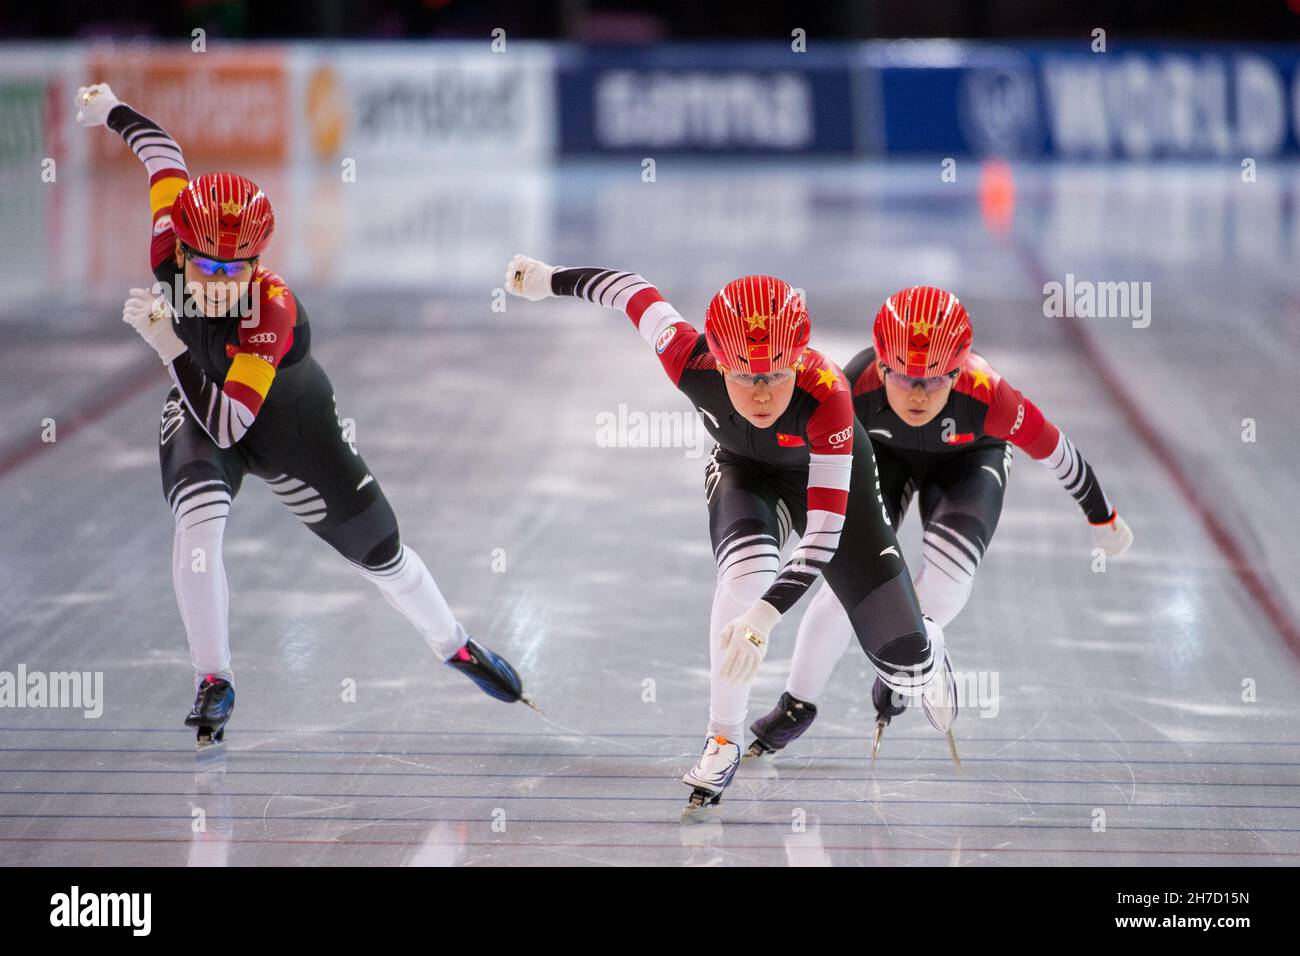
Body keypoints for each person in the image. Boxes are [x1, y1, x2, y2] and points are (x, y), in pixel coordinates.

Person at [75, 82, 530, 748]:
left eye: (240, 269)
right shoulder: (167, 236)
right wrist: (109, 106)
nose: (224, 283)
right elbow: (161, 151)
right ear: (178, 251)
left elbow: (237, 424)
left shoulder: (272, 308)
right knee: (197, 531)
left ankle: (455, 645)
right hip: (204, 400)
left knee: (384, 557)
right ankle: (215, 678)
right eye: (206, 267)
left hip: (290, 430)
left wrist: (170, 343)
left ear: (261, 261)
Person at [505, 256, 958, 817]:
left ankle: (927, 647)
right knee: (743, 580)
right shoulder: (684, 355)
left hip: (832, 486)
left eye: (775, 374)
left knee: (906, 668)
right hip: (747, 473)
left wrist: (766, 620)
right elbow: (630, 291)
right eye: (745, 376)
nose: (763, 393)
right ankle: (722, 739)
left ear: (797, 359)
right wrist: (548, 279)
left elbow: (823, 533)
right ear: (717, 362)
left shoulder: (828, 395)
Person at [749, 285, 1133, 757]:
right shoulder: (852, 385)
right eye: (904, 377)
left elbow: (1057, 451)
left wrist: (1102, 515)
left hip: (966, 465)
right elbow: (802, 446)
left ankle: (913, 654)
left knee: (952, 571)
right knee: (843, 585)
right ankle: (798, 704)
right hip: (883, 459)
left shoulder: (989, 394)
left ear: (959, 371)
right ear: (882, 366)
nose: (916, 393)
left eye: (934, 380)